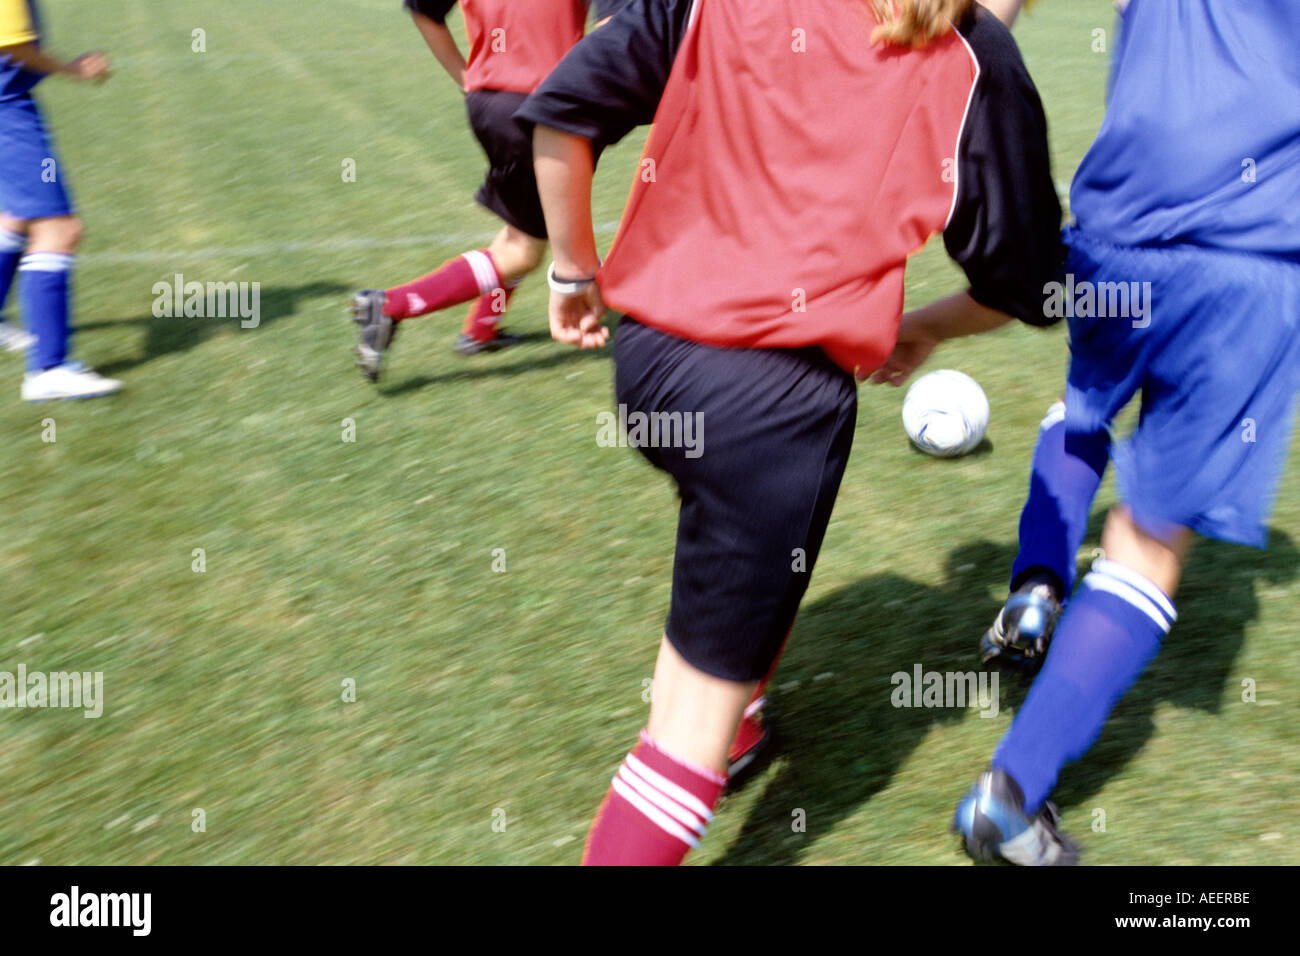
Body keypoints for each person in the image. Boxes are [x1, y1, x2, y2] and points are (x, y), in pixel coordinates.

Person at [519, 0, 1061, 865]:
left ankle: (740, 722)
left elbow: (560, 114)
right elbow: (1024, 286)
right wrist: (922, 327)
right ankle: (710, 738)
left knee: (732, 558)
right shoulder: (975, 57)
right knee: (682, 735)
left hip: (651, 366)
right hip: (774, 409)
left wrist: (573, 270)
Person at [911, 0, 1300, 865]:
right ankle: (1010, 799)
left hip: (1118, 230)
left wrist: (942, 65)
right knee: (1148, 540)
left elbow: (990, 12)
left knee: (1087, 407)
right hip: (1250, 264)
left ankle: (1037, 587)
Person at [350, 0, 624, 380]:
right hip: (545, 109)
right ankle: (390, 305)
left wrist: (467, 77)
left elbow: (422, 9)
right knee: (523, 250)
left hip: (488, 102)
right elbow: (616, 30)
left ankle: (480, 330)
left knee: (527, 222)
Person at [0, 0, 121, 401]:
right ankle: (48, 369)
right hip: (6, 115)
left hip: (10, 107)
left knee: (15, 217)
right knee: (59, 229)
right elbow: (10, 46)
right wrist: (76, 69)